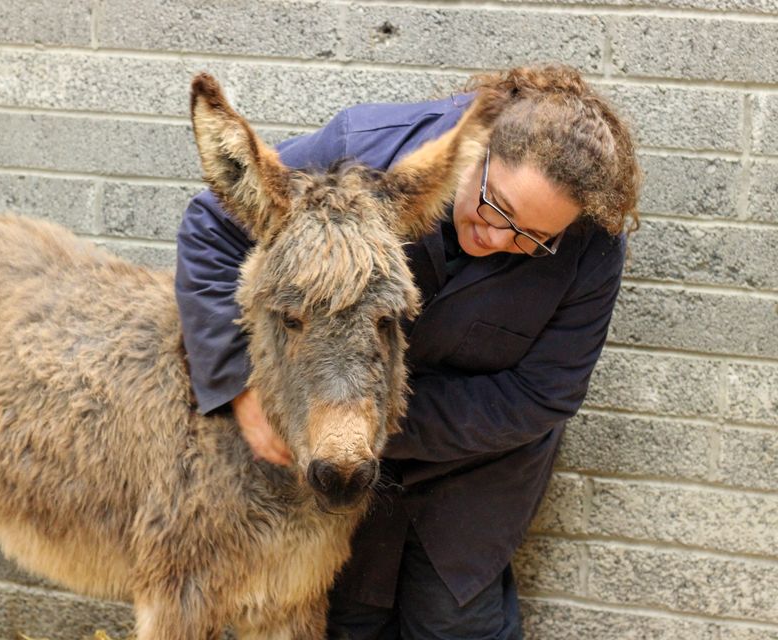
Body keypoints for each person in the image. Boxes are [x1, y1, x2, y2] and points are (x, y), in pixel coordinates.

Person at [174, 64, 640, 639]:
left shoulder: (591, 240)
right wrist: (240, 389)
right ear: (476, 150)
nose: (499, 241)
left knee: (454, 620)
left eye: (532, 240)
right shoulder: (363, 148)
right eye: (498, 209)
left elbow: (544, 395)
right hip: (332, 456)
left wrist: (365, 421)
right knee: (346, 617)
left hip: (476, 463)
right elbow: (211, 227)